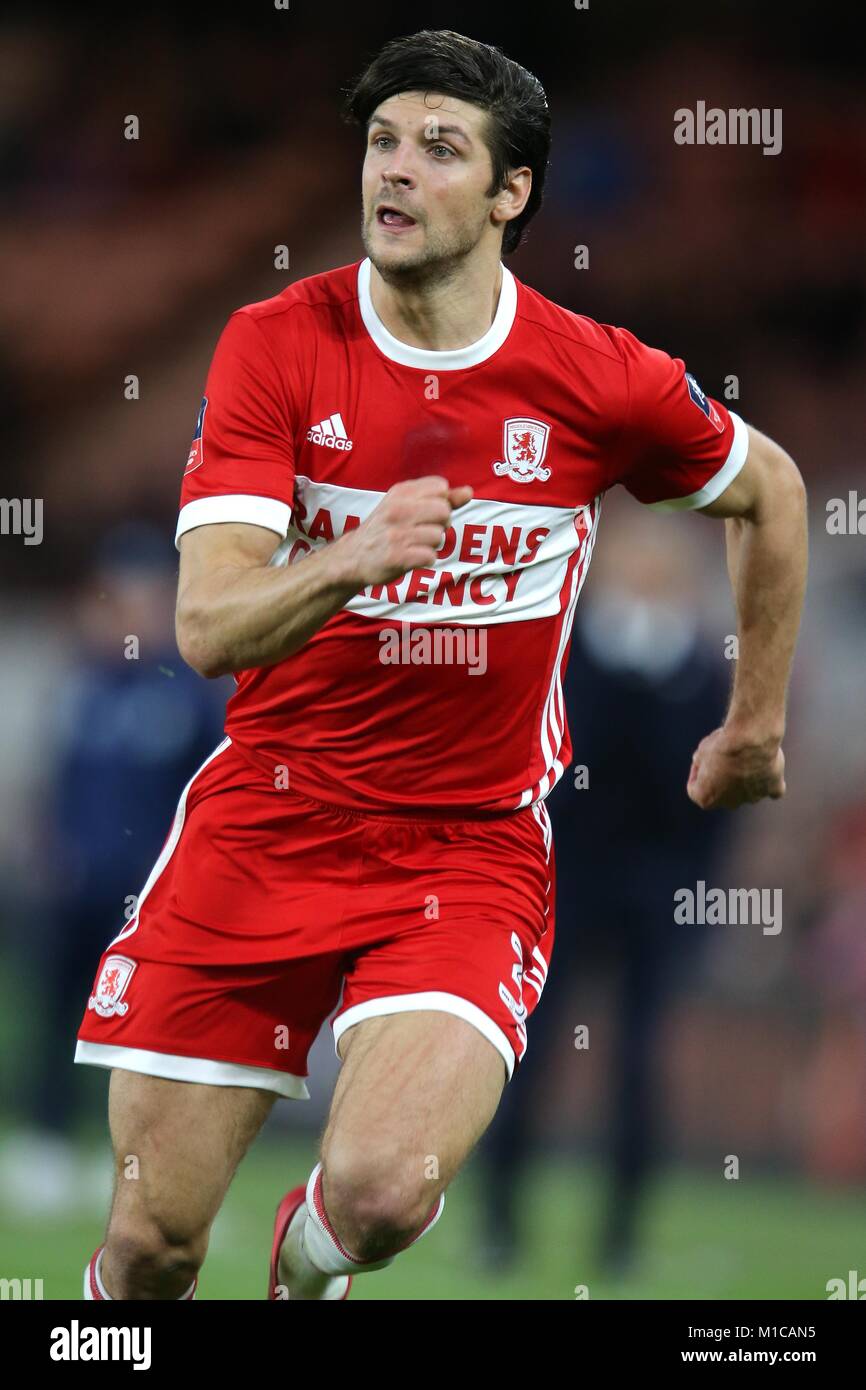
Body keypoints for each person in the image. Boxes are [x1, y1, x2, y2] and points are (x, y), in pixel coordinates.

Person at [74, 29, 807, 1301]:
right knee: (149, 1251)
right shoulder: (274, 345)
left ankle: (307, 1271)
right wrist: (347, 561)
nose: (394, 173)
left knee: (379, 1191)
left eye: (439, 148)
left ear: (510, 192)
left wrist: (752, 721)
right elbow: (204, 628)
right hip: (263, 820)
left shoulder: (595, 378)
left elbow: (772, 491)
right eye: (380, 143)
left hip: (465, 848)